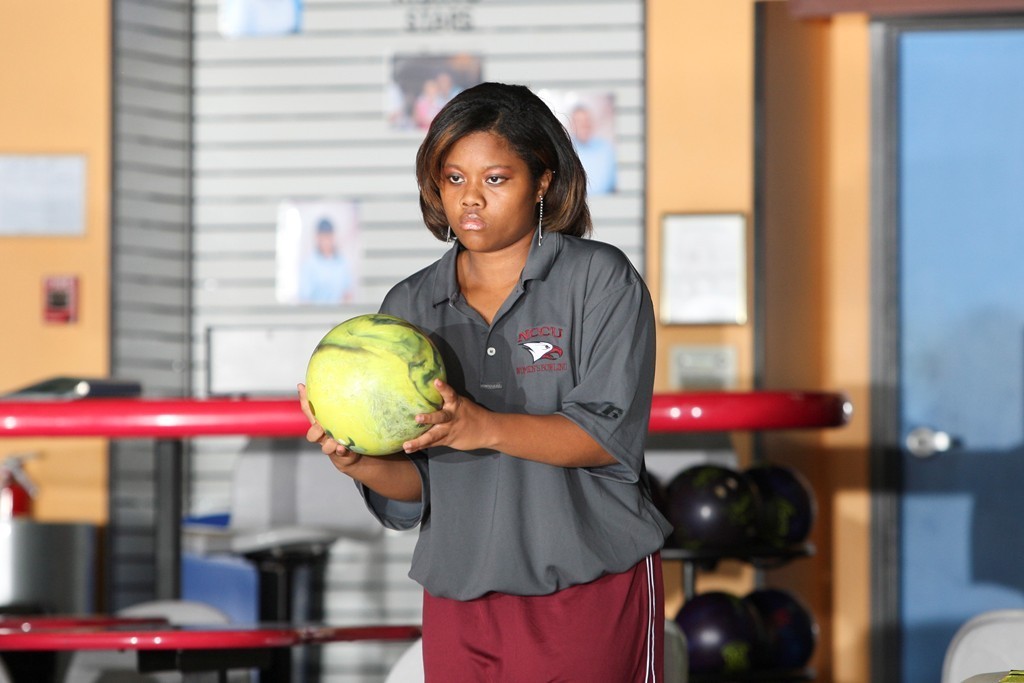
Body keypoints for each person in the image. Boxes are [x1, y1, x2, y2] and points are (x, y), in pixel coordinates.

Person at [298, 82, 671, 681]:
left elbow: (607, 437)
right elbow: (417, 487)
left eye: (495, 179)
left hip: (586, 583)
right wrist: (356, 462)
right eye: (453, 179)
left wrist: (482, 426)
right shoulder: (409, 305)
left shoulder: (598, 279)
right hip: (460, 593)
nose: (471, 199)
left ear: (543, 180)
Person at [298, 217, 353, 304]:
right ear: (317, 238)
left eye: (328, 236)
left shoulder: (342, 263)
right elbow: (304, 300)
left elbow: (348, 294)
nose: (326, 241)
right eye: (323, 237)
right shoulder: (309, 264)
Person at [570, 104, 617, 195]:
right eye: (579, 121)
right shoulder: (566, 150)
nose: (584, 125)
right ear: (572, 124)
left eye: (587, 120)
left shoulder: (606, 149)